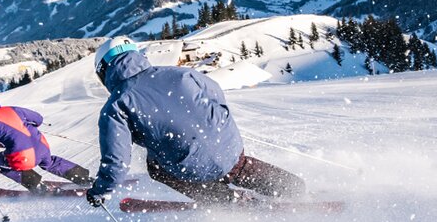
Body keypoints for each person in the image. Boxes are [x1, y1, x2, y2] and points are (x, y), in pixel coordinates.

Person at [86, 36, 305, 207]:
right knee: (233, 163)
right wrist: (218, 126)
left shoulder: (116, 106)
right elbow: (217, 96)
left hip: (190, 166)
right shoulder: (181, 74)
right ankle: (292, 187)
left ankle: (224, 200)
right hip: (228, 144)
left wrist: (100, 191)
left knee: (157, 167)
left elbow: (117, 163)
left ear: (104, 71)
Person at [0, 90, 92, 191]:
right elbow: (38, 119)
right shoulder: (12, 109)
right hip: (42, 146)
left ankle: (36, 186)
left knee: (0, 161)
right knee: (49, 162)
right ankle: (83, 177)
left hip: (24, 156)